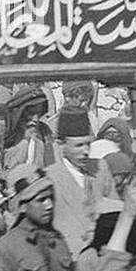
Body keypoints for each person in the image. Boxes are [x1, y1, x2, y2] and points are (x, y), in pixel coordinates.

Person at [43, 106, 119, 255]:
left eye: (88, 144)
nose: (85, 151)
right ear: (61, 145)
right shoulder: (49, 177)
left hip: (100, 255)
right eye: (78, 145)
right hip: (69, 256)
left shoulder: (100, 168)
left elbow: (114, 209)